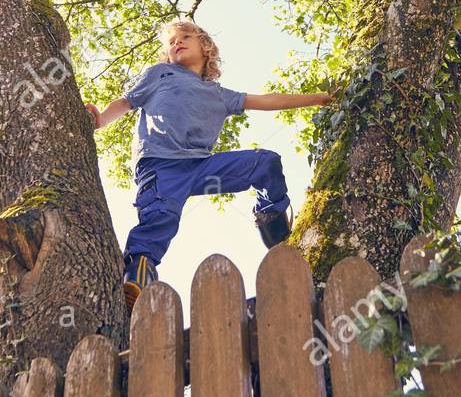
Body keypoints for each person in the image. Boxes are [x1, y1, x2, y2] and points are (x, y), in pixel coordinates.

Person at [85, 18, 334, 310]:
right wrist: (101, 119)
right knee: (158, 220)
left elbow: (267, 100)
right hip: (161, 167)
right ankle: (137, 284)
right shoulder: (159, 75)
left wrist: (316, 98)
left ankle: (274, 225)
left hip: (202, 167)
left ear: (206, 47)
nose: (176, 43)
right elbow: (127, 102)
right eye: (171, 42)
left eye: (185, 37)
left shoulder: (220, 94)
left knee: (266, 163)